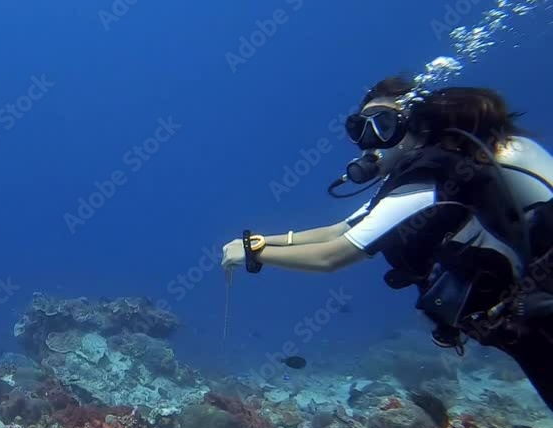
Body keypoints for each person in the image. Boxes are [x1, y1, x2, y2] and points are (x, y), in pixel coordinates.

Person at [221, 76, 553, 408]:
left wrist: (255, 254)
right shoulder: (424, 176)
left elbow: (333, 256)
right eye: (359, 128)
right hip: (526, 317)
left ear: (419, 127)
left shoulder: (429, 177)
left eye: (384, 124)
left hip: (537, 320)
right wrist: (258, 242)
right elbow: (338, 230)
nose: (369, 140)